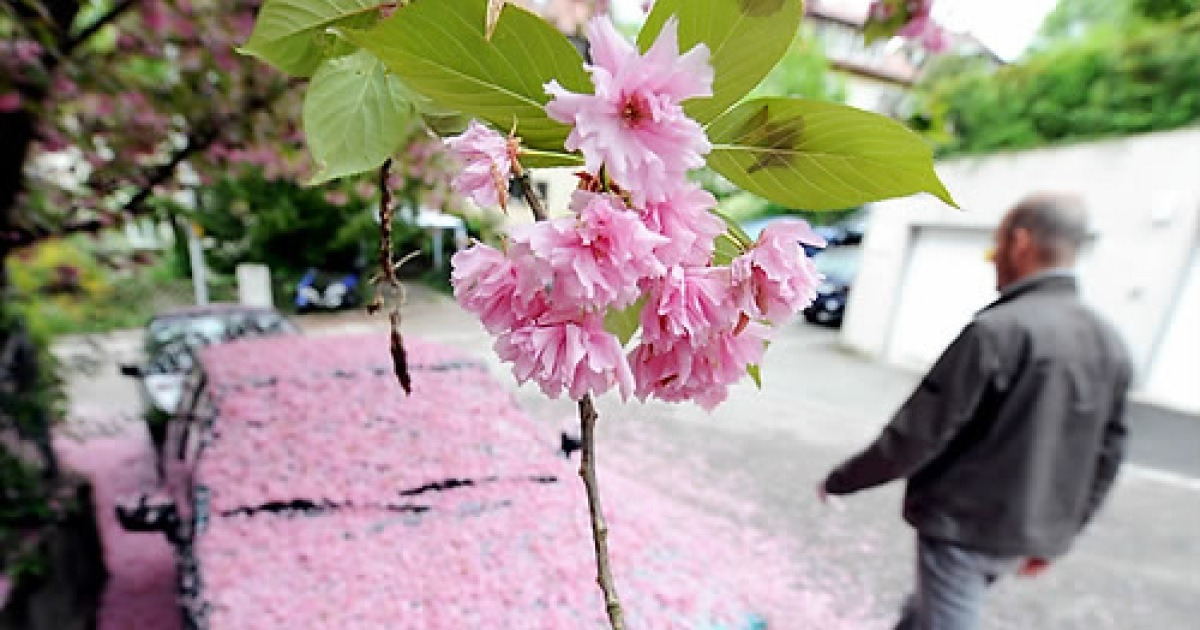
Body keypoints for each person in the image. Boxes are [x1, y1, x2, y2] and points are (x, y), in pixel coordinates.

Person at [819, 194, 1132, 630]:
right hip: (1027, 530)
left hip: (964, 524)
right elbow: (1110, 451)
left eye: (996, 247)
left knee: (945, 617)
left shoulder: (997, 331)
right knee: (926, 615)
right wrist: (1061, 534)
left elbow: (918, 433)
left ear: (1019, 244)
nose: (994, 261)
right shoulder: (1107, 340)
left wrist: (842, 480)